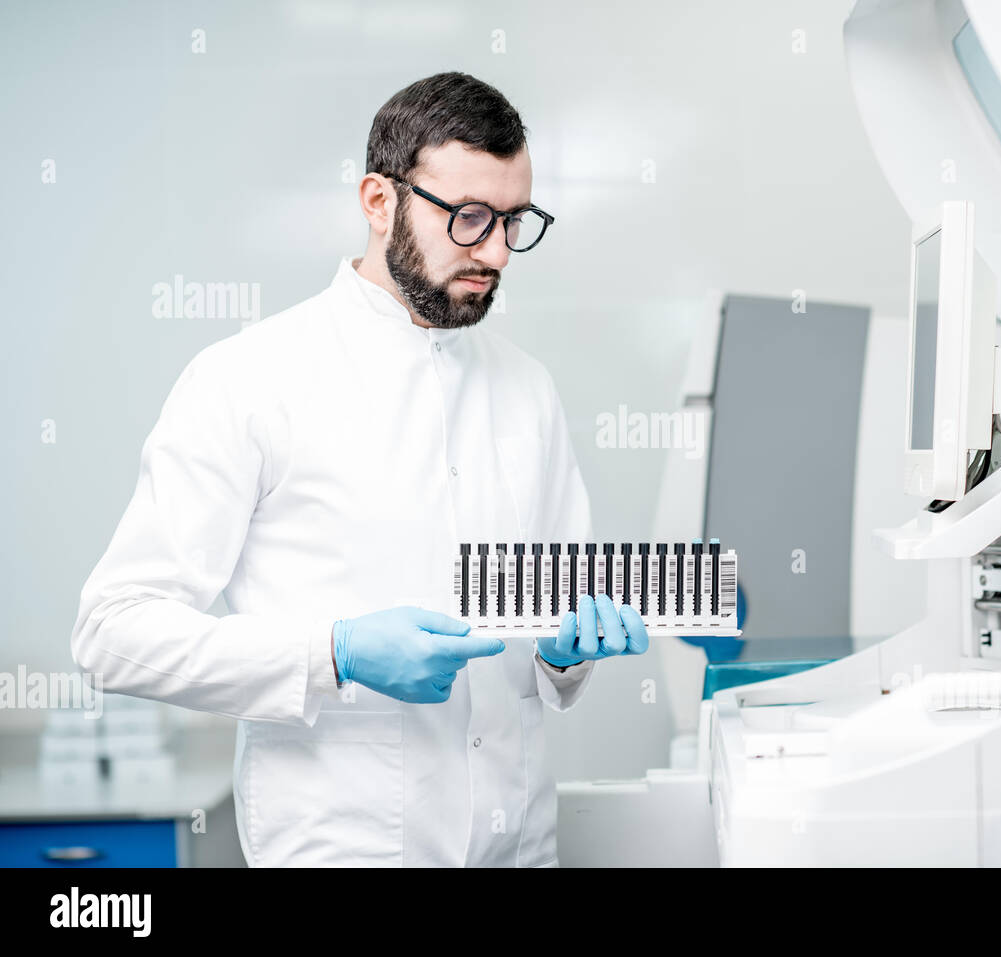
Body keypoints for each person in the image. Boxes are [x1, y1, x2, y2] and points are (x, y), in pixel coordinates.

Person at [71, 72, 648, 867]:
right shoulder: (249, 380)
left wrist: (566, 649)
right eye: (469, 218)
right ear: (379, 200)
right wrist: (331, 653)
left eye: (514, 221)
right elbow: (112, 633)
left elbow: (551, 662)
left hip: (521, 851)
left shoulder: (528, 389)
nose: (495, 252)